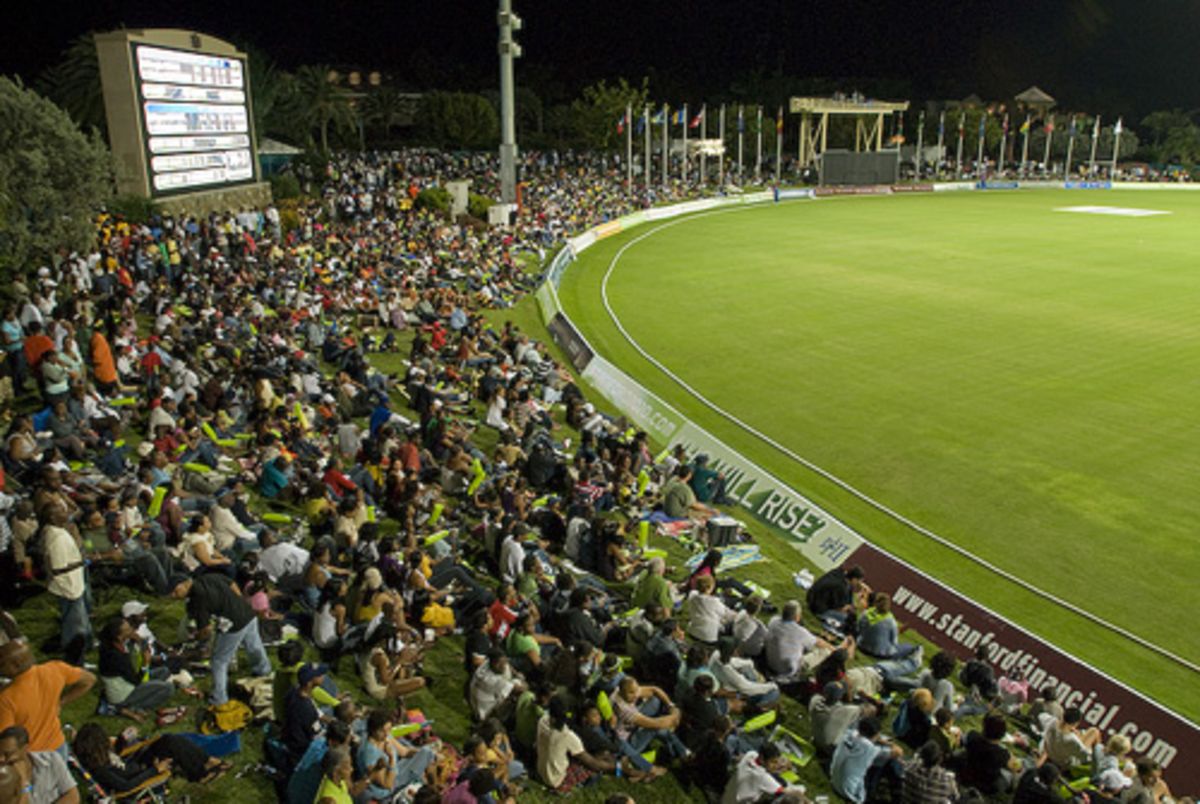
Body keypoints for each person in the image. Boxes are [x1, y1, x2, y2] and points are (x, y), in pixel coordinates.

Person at [171, 574, 272, 705]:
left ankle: (219, 698)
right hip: (247, 612)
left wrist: (195, 640)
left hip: (233, 624)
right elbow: (232, 584)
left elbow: (205, 630)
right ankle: (263, 670)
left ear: (184, 584)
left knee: (219, 661)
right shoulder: (207, 577)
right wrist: (237, 601)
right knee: (253, 645)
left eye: (174, 591)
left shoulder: (197, 599)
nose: (173, 596)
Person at [0, 641, 95, 757]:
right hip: (58, 748)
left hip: (31, 757)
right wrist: (61, 702)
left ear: (16, 664)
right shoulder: (55, 669)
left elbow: (5, 739)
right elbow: (89, 680)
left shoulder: (6, 698)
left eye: (2, 664)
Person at [535, 697, 618, 794]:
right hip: (556, 780)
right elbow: (594, 764)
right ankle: (579, 785)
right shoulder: (567, 735)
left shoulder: (543, 720)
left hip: (541, 771)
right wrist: (616, 768)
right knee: (596, 766)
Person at [96, 617, 175, 719]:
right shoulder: (116, 657)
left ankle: (146, 692)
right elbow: (136, 680)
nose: (132, 630)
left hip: (130, 679)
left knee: (164, 671)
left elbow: (144, 649)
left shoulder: (118, 644)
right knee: (168, 688)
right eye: (128, 629)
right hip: (124, 694)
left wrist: (140, 640)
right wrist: (145, 663)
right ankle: (134, 707)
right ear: (120, 636)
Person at [830, 716, 905, 804]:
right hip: (852, 793)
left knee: (880, 759)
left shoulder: (848, 734)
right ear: (875, 734)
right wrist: (889, 743)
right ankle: (897, 796)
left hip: (835, 783)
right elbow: (899, 752)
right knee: (892, 762)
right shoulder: (870, 749)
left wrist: (879, 740)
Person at [0, 725, 78, 804]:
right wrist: (23, 783)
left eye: (7, 754)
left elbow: (73, 796)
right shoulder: (4, 779)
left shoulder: (52, 760)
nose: (1, 759)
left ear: (25, 749)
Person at [721, 743, 804, 804]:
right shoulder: (762, 777)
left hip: (727, 796)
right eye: (773, 762)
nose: (775, 765)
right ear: (762, 759)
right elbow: (790, 792)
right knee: (789, 797)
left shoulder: (751, 754)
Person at [805, 565, 868, 632]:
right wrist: (854, 607)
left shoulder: (837, 572)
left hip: (811, 597)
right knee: (847, 619)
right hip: (817, 608)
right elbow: (840, 608)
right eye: (860, 581)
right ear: (855, 580)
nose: (860, 583)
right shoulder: (841, 587)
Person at [856, 593, 918, 659]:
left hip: (861, 647)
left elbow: (858, 629)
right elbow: (894, 643)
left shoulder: (865, 613)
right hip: (880, 654)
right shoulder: (891, 621)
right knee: (908, 646)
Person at [1040, 705, 1101, 770]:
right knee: (1094, 732)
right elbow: (1087, 757)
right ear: (1075, 724)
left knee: (1092, 731)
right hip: (1062, 762)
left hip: (1048, 749)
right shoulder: (1072, 740)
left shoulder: (1051, 722)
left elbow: (1041, 716)